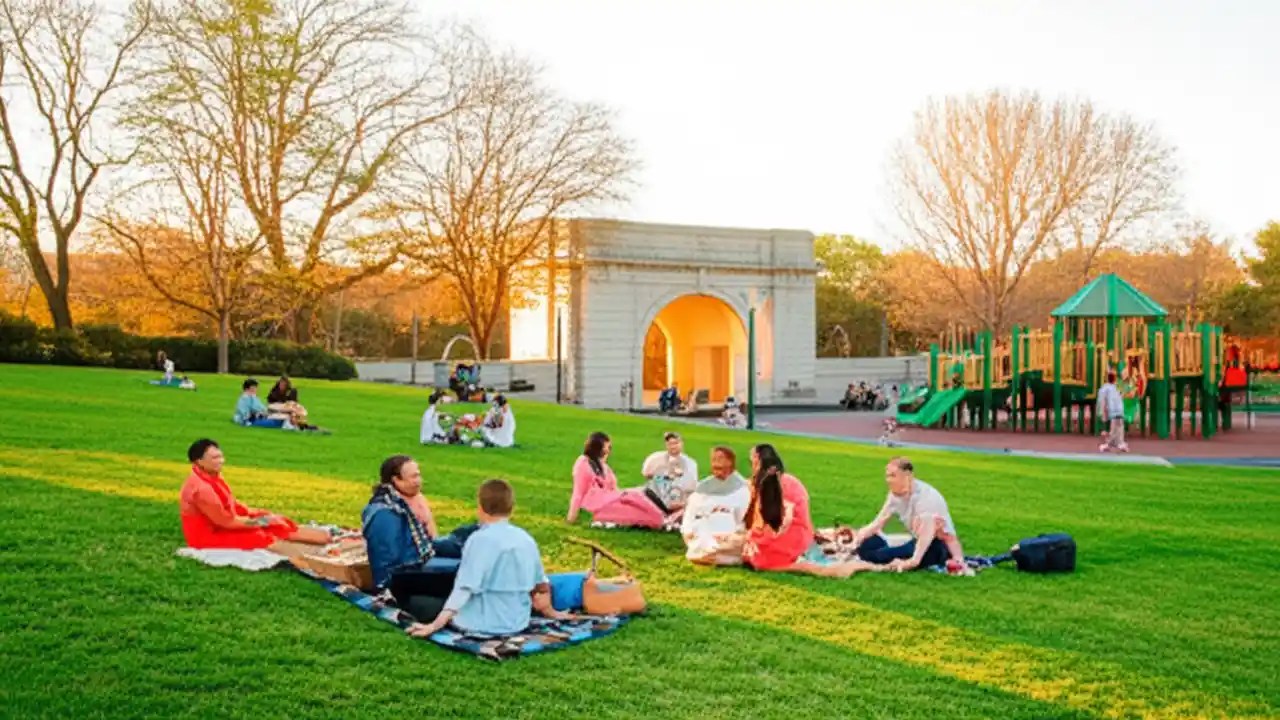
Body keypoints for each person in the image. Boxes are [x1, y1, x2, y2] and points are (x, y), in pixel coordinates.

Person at [406, 479, 573, 638]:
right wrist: (551, 613)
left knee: (415, 601)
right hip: (517, 623)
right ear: (511, 507)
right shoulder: (525, 539)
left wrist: (435, 625)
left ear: (480, 507)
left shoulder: (478, 540)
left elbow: (464, 587)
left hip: (479, 623)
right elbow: (541, 585)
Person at [717, 444, 874, 578]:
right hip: (790, 539)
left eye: (752, 462)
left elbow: (783, 515)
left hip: (783, 543)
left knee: (728, 548)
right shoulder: (783, 482)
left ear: (758, 462)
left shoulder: (778, 485)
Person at [362, 455, 480, 619]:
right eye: (413, 477)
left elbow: (431, 536)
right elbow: (391, 564)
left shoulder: (407, 500)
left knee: (471, 532)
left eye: (418, 475)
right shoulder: (385, 513)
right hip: (407, 571)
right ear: (396, 480)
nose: (419, 480)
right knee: (467, 567)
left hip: (422, 553)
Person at [179, 438, 330, 551]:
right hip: (208, 537)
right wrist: (262, 522)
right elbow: (225, 522)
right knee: (258, 534)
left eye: (221, 456)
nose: (221, 461)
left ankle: (324, 539)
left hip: (225, 523)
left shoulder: (212, 476)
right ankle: (309, 552)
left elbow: (233, 505)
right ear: (199, 461)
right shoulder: (201, 489)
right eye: (215, 458)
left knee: (274, 521)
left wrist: (259, 515)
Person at [849, 457, 965, 572]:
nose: (888, 480)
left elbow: (926, 537)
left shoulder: (925, 499)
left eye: (893, 476)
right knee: (865, 546)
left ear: (907, 476)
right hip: (917, 541)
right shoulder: (895, 495)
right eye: (887, 475)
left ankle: (939, 558)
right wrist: (858, 538)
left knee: (875, 557)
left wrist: (910, 563)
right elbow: (879, 521)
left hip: (934, 546)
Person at [566, 432, 667, 529]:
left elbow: (613, 488)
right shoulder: (583, 463)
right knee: (636, 498)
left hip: (610, 501)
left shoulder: (603, 466)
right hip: (597, 506)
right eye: (607, 447)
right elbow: (578, 493)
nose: (608, 451)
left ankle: (662, 516)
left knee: (640, 494)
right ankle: (661, 519)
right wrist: (571, 517)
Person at [680, 446, 751, 565]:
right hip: (706, 532)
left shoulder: (743, 489)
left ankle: (712, 554)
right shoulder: (702, 488)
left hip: (729, 535)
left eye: (721, 458)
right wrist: (688, 534)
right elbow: (690, 517)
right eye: (714, 459)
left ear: (731, 463)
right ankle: (707, 553)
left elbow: (743, 519)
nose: (716, 462)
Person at [640, 431, 698, 517]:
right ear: (666, 445)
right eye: (670, 443)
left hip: (680, 498)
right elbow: (647, 474)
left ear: (682, 444)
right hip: (660, 497)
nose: (673, 446)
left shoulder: (690, 463)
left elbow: (690, 486)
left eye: (676, 443)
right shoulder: (656, 458)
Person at [1097, 371, 1129, 453]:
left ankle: (1117, 443)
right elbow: (1121, 396)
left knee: (1118, 427)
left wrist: (1103, 411)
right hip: (1115, 410)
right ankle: (1112, 444)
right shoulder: (1111, 388)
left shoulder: (1108, 388)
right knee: (1116, 427)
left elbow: (1103, 400)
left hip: (1115, 410)